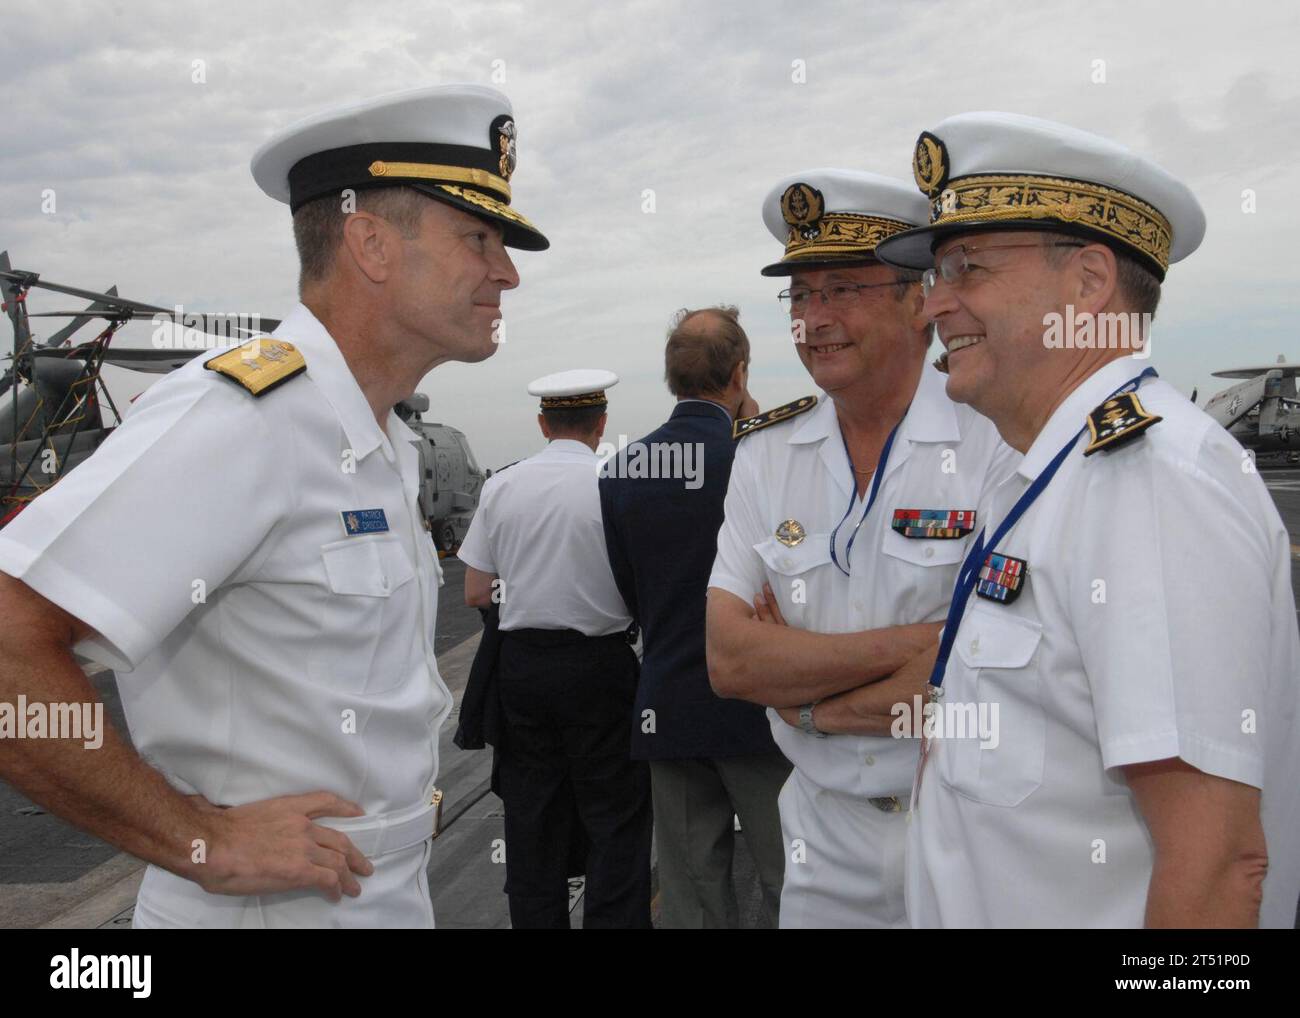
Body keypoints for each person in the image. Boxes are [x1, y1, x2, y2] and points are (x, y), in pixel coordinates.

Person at [0, 83, 548, 928]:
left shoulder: (379, 439)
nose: (506, 271)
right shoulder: (242, 418)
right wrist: (200, 840)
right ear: (370, 242)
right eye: (479, 238)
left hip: (377, 892)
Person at [873, 111, 1300, 928]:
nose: (932, 308)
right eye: (935, 276)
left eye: (964, 269)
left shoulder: (1147, 484)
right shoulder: (1049, 471)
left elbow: (1218, 868)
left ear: (1089, 283)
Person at [705, 170, 1013, 927]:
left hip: (969, 823)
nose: (814, 320)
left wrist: (808, 706)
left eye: (842, 289)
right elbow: (730, 661)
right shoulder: (765, 454)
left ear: (918, 302)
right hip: (821, 837)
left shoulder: (994, 438)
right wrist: (925, 641)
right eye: (800, 297)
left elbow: (993, 674)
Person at [598, 307, 790, 928]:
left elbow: (631, 593)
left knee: (691, 896)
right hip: (761, 706)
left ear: (671, 378)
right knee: (794, 880)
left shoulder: (623, 470)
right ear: (739, 374)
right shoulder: (762, 456)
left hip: (670, 703)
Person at [459, 369, 651, 929]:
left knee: (531, 818)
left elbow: (476, 591)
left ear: (543, 424)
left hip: (522, 669)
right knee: (615, 816)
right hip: (601, 667)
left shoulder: (503, 486)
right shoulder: (617, 482)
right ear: (602, 424)